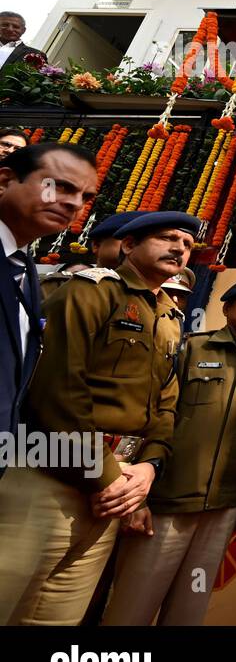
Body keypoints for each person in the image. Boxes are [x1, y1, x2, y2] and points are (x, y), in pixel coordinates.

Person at [0, 210, 194, 625]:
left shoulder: (170, 317)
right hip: (50, 475)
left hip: (116, 485)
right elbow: (58, 393)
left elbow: (166, 403)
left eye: (187, 244)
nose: (179, 247)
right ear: (128, 245)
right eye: (167, 237)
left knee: (57, 621)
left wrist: (149, 466)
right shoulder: (90, 292)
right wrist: (110, 478)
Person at [102, 277, 236, 625]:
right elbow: (151, 419)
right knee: (130, 609)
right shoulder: (192, 349)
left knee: (190, 608)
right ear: (227, 308)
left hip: (223, 509)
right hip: (166, 502)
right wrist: (138, 499)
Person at [1, 142, 99, 442]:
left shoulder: (24, 268)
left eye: (85, 196)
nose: (75, 204)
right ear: (5, 181)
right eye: (59, 186)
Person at [0, 13, 44, 79]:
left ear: (23, 30)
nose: (10, 29)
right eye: (5, 25)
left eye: (16, 27)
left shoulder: (36, 55)